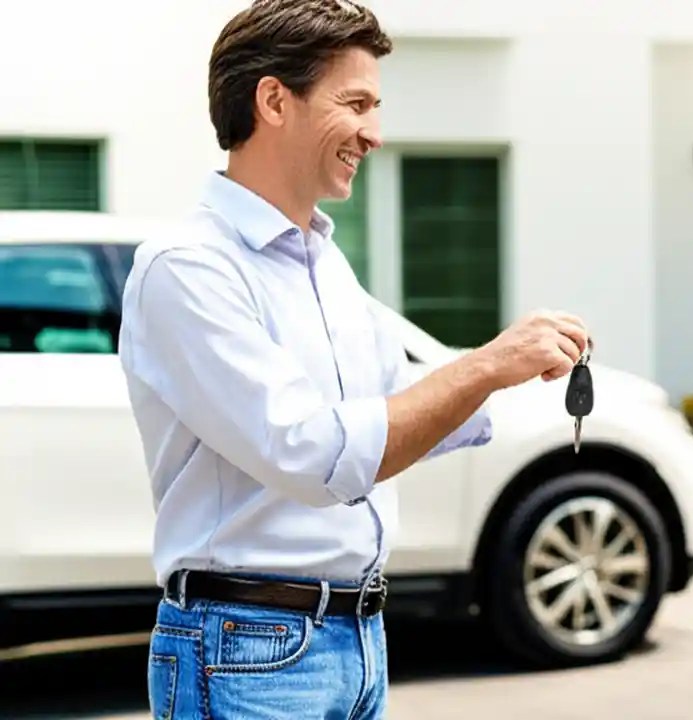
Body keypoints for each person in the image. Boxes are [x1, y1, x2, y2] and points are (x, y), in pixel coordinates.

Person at [118, 1, 589, 717]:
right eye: (356, 103)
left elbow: (397, 401)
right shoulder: (188, 268)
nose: (375, 133)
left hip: (354, 639)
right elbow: (314, 455)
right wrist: (489, 364)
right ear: (274, 99)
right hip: (248, 649)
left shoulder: (324, 262)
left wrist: (515, 363)